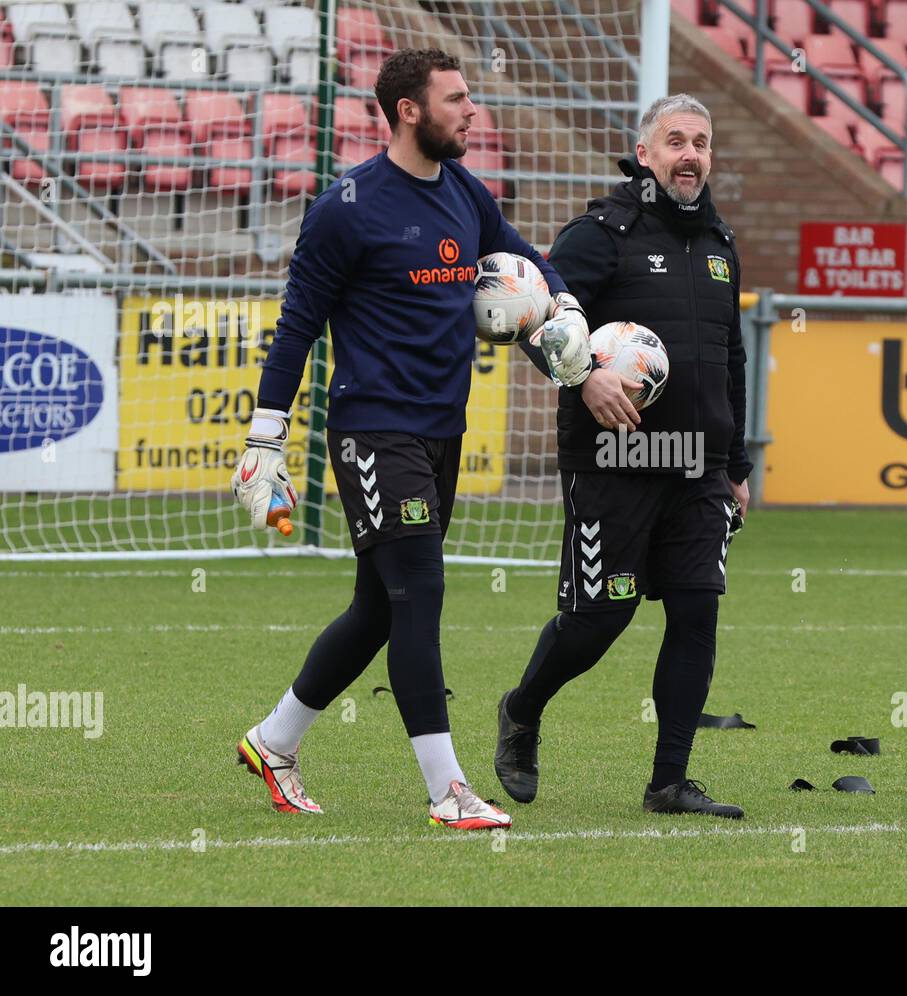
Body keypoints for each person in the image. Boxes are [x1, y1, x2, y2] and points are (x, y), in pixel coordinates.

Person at [230, 48, 591, 831]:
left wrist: (562, 304)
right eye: (456, 99)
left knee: (378, 608)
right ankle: (447, 790)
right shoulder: (348, 206)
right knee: (419, 594)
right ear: (407, 111)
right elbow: (298, 327)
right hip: (372, 430)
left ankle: (273, 742)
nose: (471, 111)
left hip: (440, 432)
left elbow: (523, 258)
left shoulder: (465, 191)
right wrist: (265, 440)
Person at [494, 94, 753, 819]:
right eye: (675, 141)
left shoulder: (721, 244)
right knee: (600, 618)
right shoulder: (601, 233)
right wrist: (583, 374)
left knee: (697, 612)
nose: (690, 154)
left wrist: (734, 466)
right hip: (611, 461)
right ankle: (522, 709)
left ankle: (669, 781)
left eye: (700, 141)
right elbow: (533, 312)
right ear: (645, 154)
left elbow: (728, 356)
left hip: (697, 465)